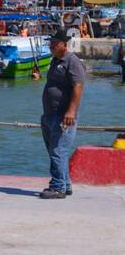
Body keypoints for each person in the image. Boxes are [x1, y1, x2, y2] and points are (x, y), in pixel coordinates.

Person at [39, 28, 86, 199]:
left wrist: (71, 111)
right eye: (50, 43)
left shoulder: (72, 61)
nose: (51, 45)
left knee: (58, 151)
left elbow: (78, 86)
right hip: (49, 114)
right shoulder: (55, 61)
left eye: (54, 43)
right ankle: (65, 184)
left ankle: (57, 187)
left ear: (63, 44)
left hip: (63, 115)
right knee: (55, 151)